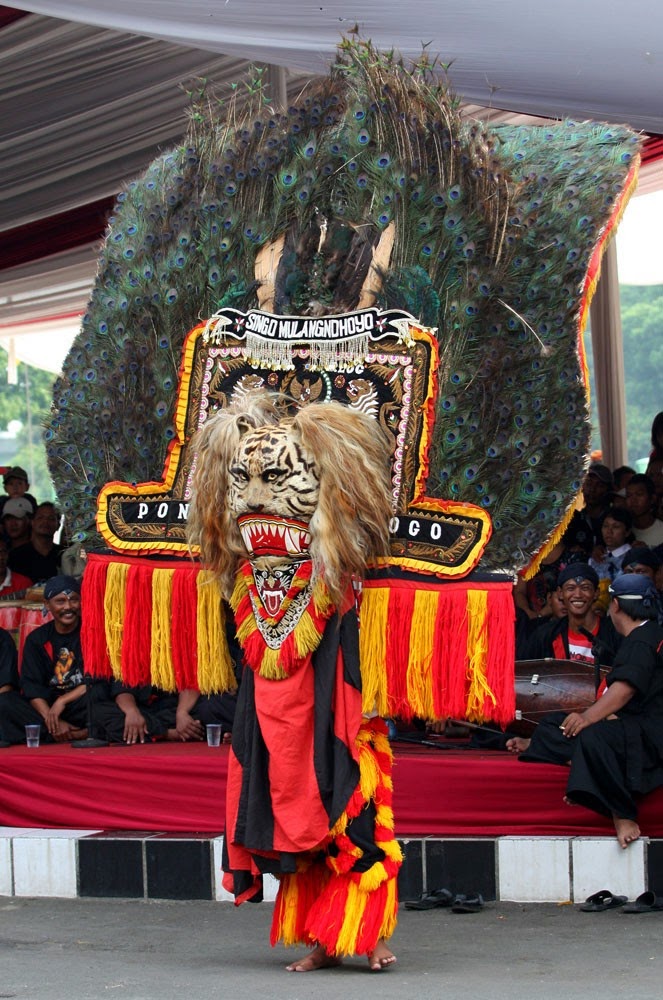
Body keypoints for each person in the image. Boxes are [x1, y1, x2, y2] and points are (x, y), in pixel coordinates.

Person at [187, 392, 401, 973]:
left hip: (336, 681)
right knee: (283, 804)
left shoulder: (342, 560)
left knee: (348, 798)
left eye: (277, 478)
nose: (256, 499)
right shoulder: (245, 571)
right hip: (269, 695)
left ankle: (368, 933)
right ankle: (320, 938)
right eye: (244, 479)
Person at [507, 574, 663, 849]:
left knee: (593, 737)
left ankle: (622, 814)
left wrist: (588, 717)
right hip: (633, 726)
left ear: (615, 605)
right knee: (555, 726)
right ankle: (585, 765)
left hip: (651, 735)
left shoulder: (642, 639)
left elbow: (625, 689)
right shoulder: (645, 634)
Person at [0, 574, 105, 744]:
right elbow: (31, 686)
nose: (68, 607)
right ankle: (74, 733)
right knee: (6, 703)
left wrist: (63, 701)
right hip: (49, 708)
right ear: (47, 605)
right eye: (60, 601)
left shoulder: (93, 633)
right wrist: (52, 718)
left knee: (101, 695)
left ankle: (57, 734)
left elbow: (98, 676)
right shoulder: (37, 639)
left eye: (73, 600)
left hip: (79, 703)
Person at [522, 563, 620, 665]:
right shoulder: (545, 635)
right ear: (560, 593)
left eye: (585, 588)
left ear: (596, 593)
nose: (578, 595)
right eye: (570, 588)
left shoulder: (614, 633)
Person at [95, 680, 237, 744]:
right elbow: (122, 690)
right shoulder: (134, 641)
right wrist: (132, 712)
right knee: (102, 711)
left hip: (180, 708)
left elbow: (192, 681)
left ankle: (166, 732)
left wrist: (182, 713)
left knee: (212, 705)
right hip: (147, 715)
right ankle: (170, 734)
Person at [7, 501, 63, 584]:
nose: (45, 522)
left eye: (51, 518)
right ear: (32, 522)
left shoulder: (65, 555)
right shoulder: (16, 556)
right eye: (40, 517)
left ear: (58, 525)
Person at [625, 474, 663, 547]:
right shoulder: (622, 530)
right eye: (629, 495)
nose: (633, 500)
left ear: (652, 499)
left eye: (639, 494)